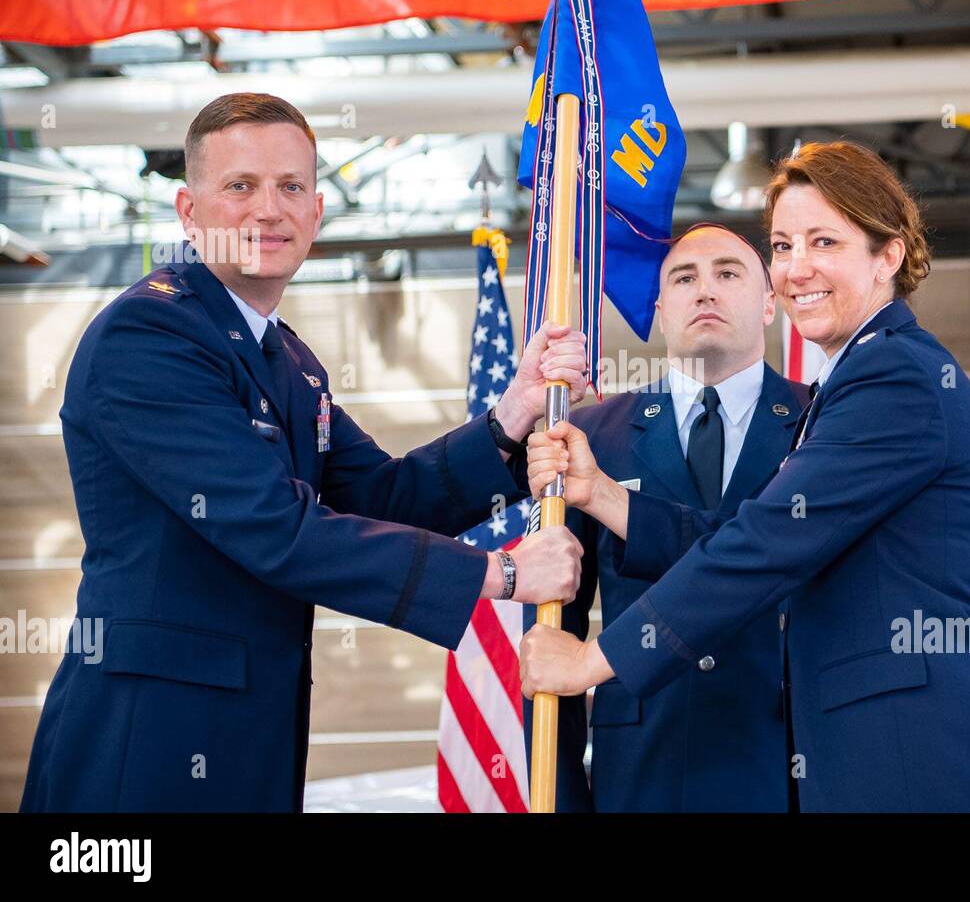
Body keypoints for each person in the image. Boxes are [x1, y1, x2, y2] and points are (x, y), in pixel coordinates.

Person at [22, 92, 586, 812]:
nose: (268, 209)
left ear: (317, 212)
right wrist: (501, 573)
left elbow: (381, 498)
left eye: (290, 186)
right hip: (145, 747)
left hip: (250, 735)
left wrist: (510, 417)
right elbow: (276, 529)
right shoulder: (149, 337)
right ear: (188, 212)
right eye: (239, 186)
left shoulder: (286, 357)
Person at [520, 141, 970, 812]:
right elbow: (751, 536)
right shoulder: (854, 382)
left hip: (921, 760)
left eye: (824, 242)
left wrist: (593, 663)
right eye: (782, 246)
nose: (797, 268)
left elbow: (763, 546)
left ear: (887, 255)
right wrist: (601, 496)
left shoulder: (892, 377)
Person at [523, 224, 809, 811]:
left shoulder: (818, 425)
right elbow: (555, 635)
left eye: (728, 274)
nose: (705, 291)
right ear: (658, 308)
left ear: (769, 304)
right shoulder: (590, 434)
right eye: (684, 278)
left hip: (786, 765)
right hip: (641, 774)